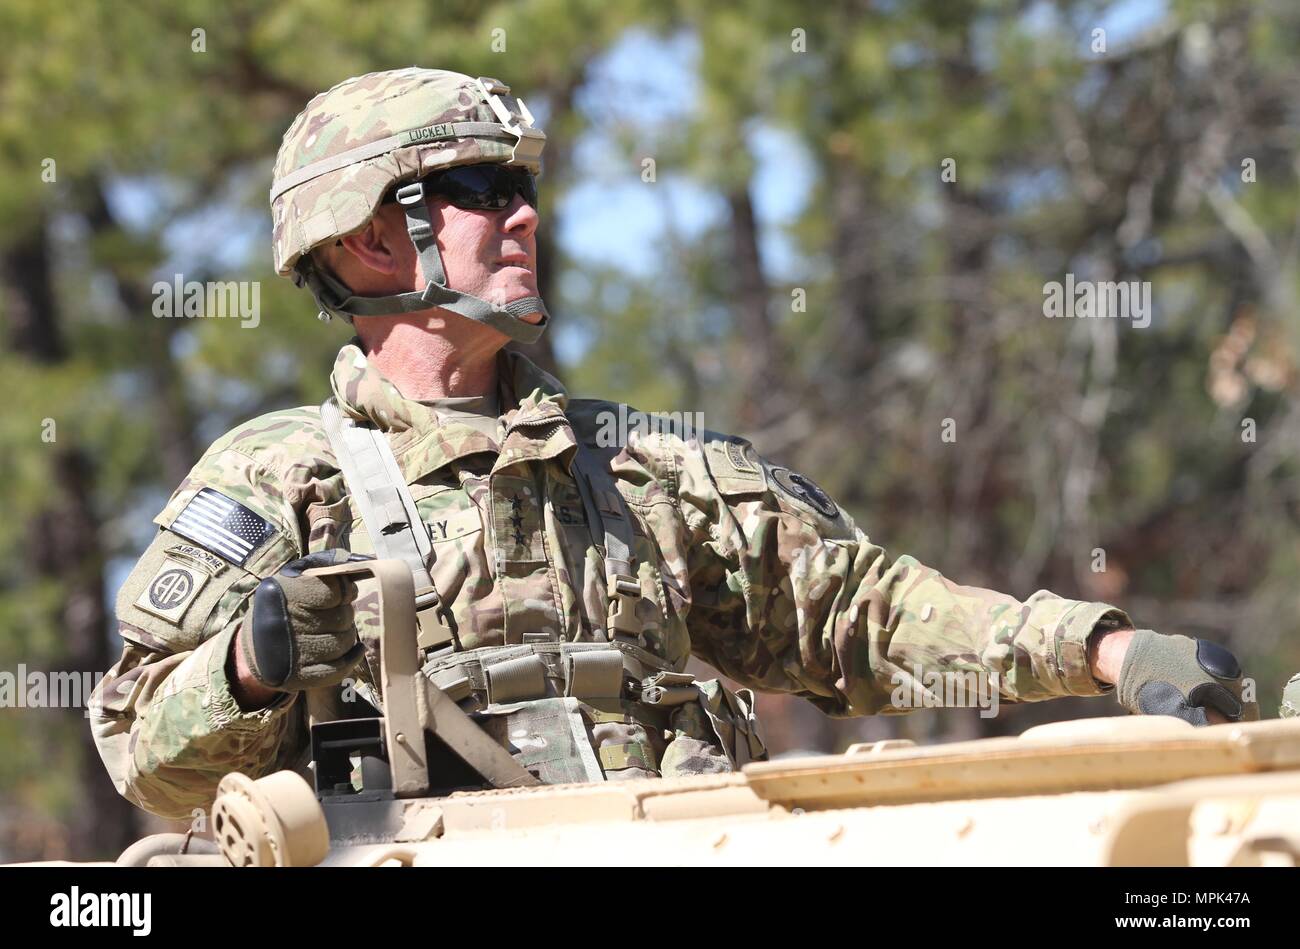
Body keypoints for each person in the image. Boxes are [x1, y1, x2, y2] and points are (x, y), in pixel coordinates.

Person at [90, 68, 1258, 819]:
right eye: (478, 188)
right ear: (364, 247)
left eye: (522, 187)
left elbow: (865, 614)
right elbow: (146, 757)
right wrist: (248, 664)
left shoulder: (644, 469)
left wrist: (1104, 650)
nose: (525, 213)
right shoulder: (275, 479)